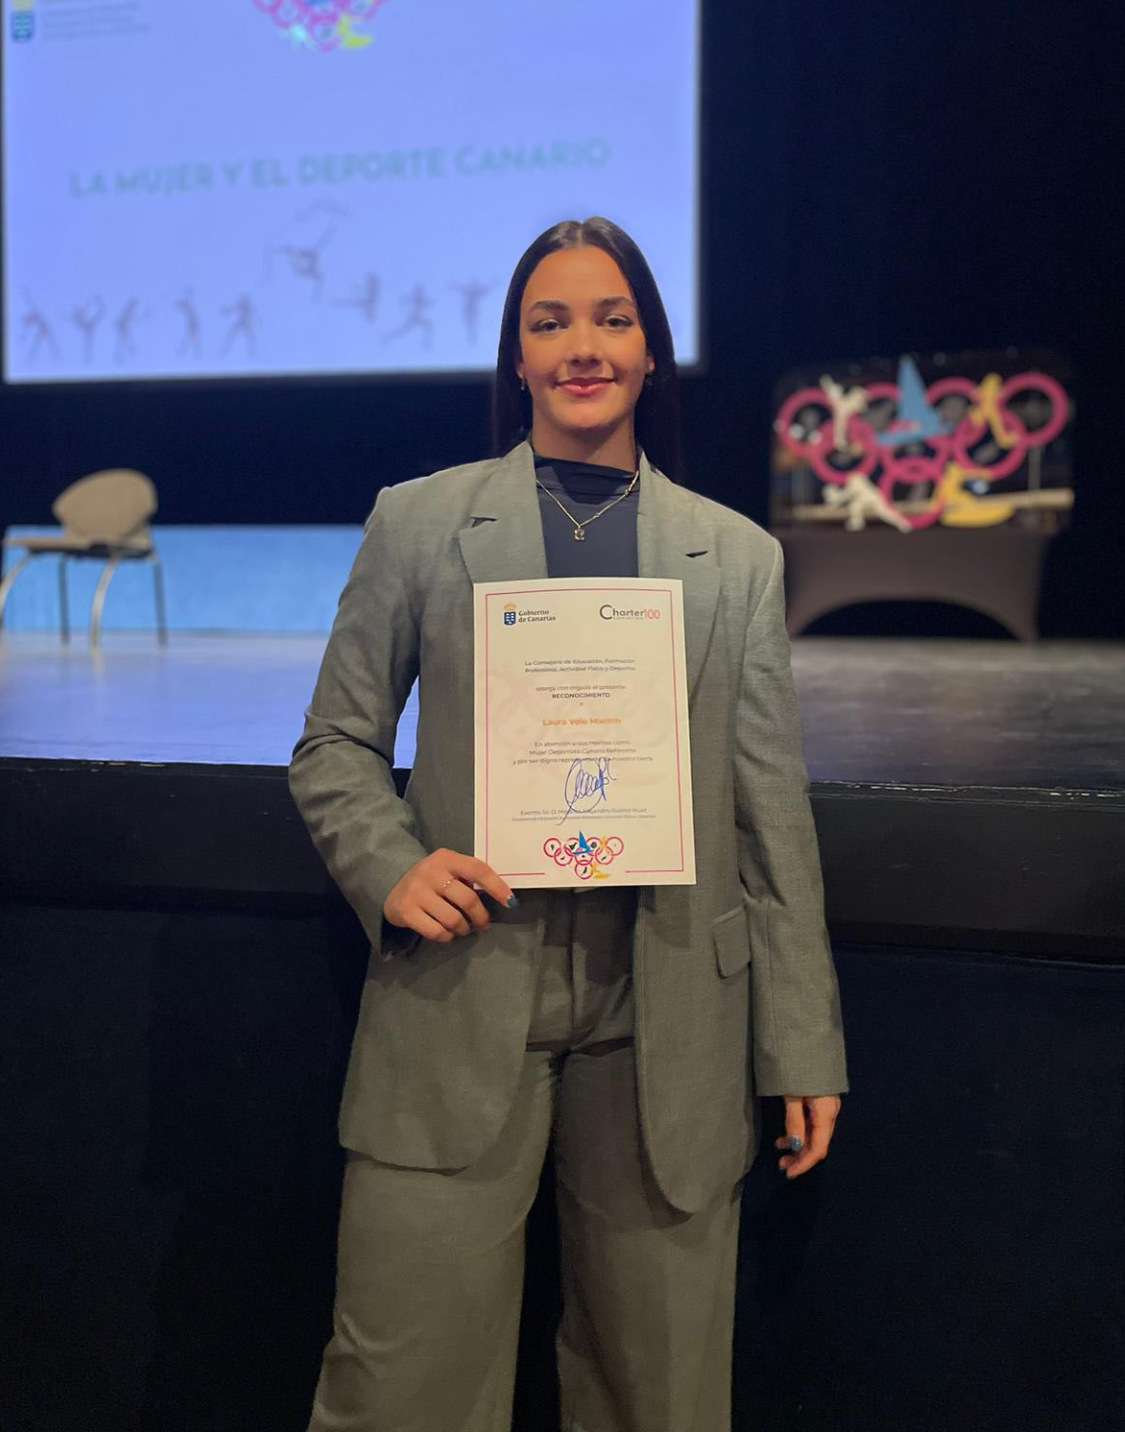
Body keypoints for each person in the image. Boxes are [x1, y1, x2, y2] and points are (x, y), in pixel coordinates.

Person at [289, 216, 848, 1432]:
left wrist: (803, 1044)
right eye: (550, 323)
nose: (582, 346)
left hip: (668, 1015)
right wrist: (391, 864)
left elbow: (770, 819)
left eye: (611, 319)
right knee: (402, 1390)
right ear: (519, 357)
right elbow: (334, 745)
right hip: (457, 987)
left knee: (662, 1395)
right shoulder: (420, 524)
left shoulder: (735, 560)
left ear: (652, 351)